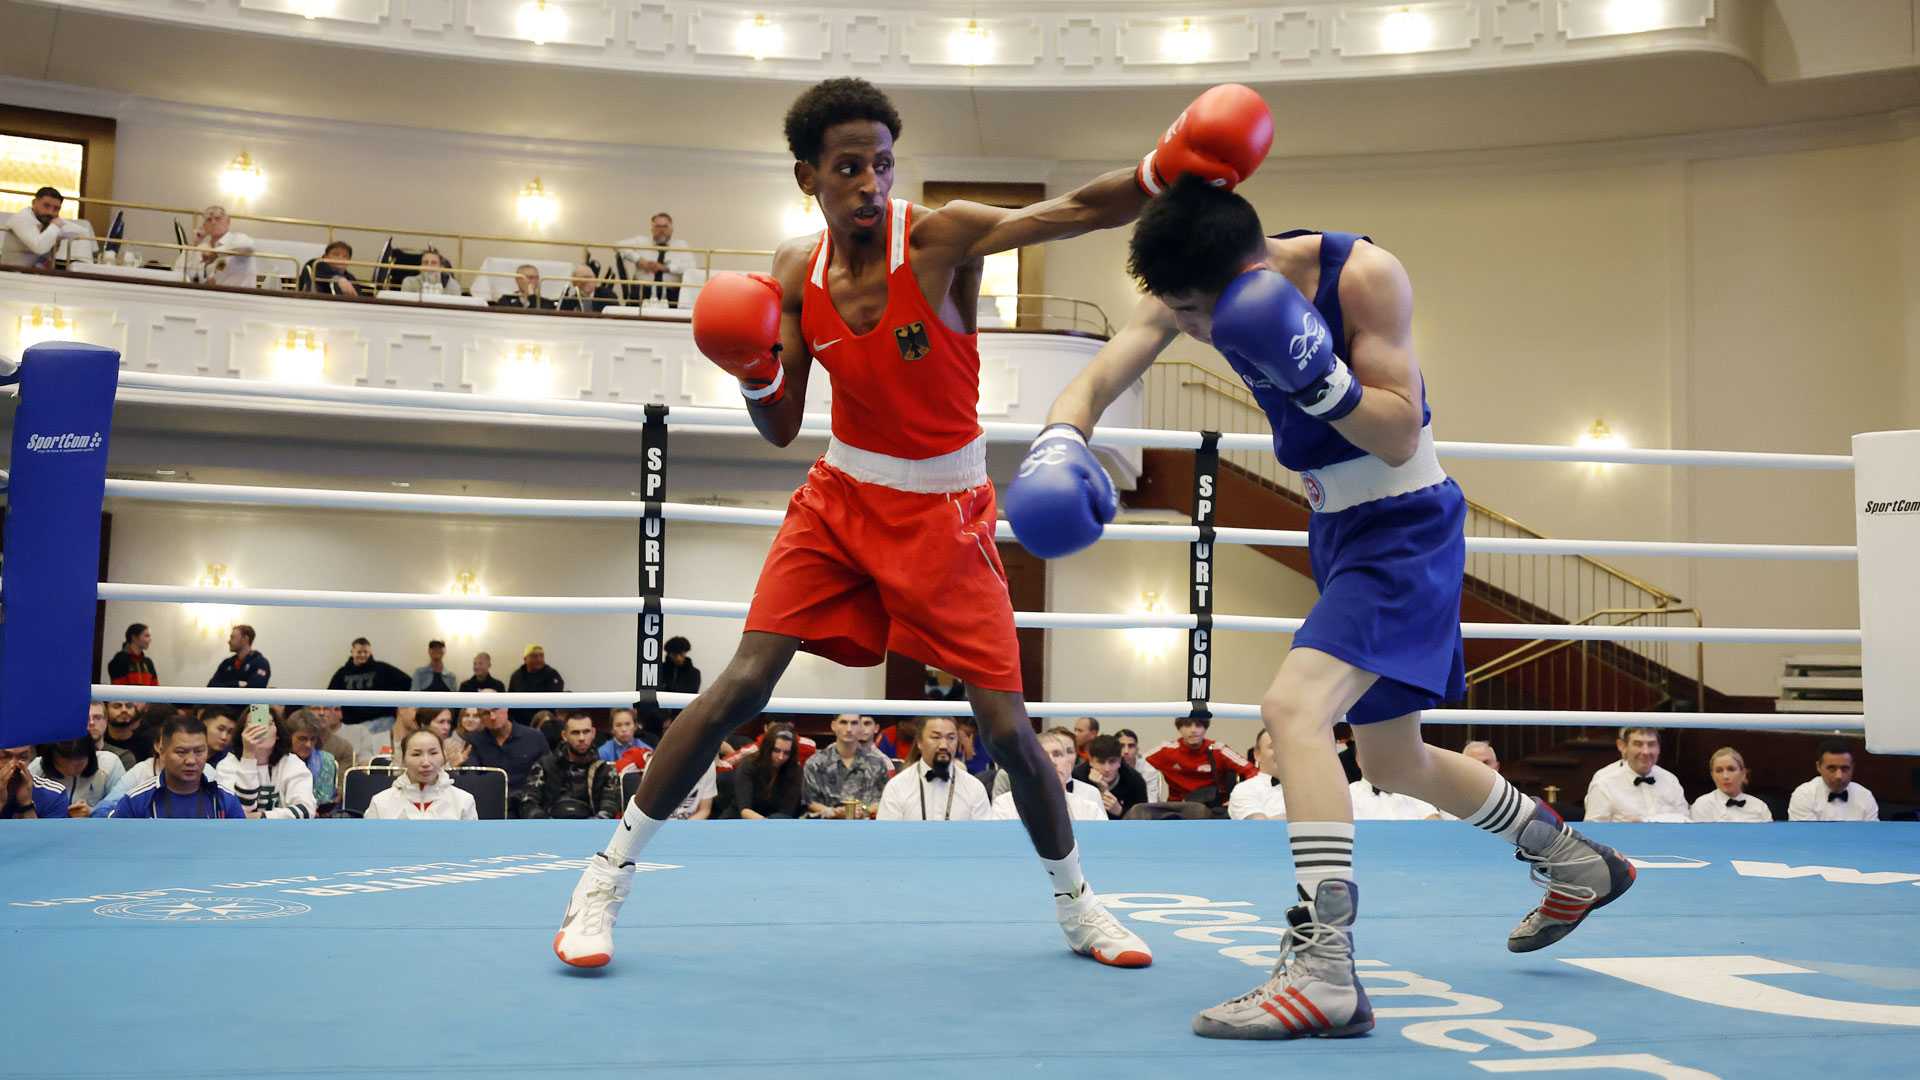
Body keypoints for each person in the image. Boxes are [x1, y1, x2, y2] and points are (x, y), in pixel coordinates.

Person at [552, 76, 1255, 972]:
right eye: (848, 167)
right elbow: (780, 426)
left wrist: (1164, 168)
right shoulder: (791, 269)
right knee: (742, 683)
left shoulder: (936, 236)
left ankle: (1079, 906)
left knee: (1005, 728)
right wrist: (753, 368)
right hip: (841, 499)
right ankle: (605, 880)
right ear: (808, 175)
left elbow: (1070, 212)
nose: (870, 183)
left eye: (882, 163)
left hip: (947, 511)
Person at [1015, 172, 1637, 1039]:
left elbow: (1397, 429)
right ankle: (1575, 862)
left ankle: (1323, 969)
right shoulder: (1188, 291)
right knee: (1392, 763)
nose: (1194, 331)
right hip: (1336, 530)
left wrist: (1316, 375)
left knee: (1292, 710)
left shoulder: (1362, 277)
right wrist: (1059, 439)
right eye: (1181, 312)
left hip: (1404, 522)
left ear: (1249, 271)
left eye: (1201, 312)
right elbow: (1098, 376)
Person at [111, 715, 247, 819]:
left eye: (199, 751)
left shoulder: (225, 799)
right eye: (181, 752)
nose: (191, 760)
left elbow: (241, 848)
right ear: (162, 751)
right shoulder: (137, 801)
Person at [875, 717, 991, 821]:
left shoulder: (974, 787)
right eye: (936, 737)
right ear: (919, 742)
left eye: (951, 738)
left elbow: (983, 838)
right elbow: (888, 838)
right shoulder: (898, 786)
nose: (944, 745)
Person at [215, 709, 320, 819]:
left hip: (283, 834)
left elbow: (306, 810)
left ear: (277, 734)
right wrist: (248, 755)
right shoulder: (226, 765)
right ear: (243, 733)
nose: (260, 729)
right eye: (253, 724)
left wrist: (260, 817)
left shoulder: (292, 763)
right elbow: (239, 811)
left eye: (268, 723)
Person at [462, 693, 549, 817]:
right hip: (490, 807)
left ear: (506, 707)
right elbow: (472, 779)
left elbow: (549, 775)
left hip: (529, 806)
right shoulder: (473, 740)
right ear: (480, 716)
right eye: (486, 713)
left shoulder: (534, 737)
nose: (492, 717)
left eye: (495, 709)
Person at [992, 728, 1103, 822]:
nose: (1052, 761)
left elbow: (1106, 845)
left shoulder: (1089, 809)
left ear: (1068, 765)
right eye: (1042, 755)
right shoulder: (1006, 805)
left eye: (1058, 754)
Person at [365, 729, 479, 820]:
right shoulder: (381, 803)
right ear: (403, 759)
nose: (426, 762)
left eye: (433, 753)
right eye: (416, 754)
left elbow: (472, 846)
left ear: (444, 757)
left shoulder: (463, 802)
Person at [524, 713, 622, 819]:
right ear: (564, 736)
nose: (581, 738)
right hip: (550, 828)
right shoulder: (544, 766)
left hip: (591, 829)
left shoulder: (606, 771)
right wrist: (546, 824)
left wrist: (588, 828)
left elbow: (610, 808)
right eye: (575, 732)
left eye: (586, 732)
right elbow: (528, 802)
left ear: (593, 733)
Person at [1582, 726, 1688, 823]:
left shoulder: (1671, 780)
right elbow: (1592, 833)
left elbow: (1686, 822)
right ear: (1623, 747)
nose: (1646, 752)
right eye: (1638, 744)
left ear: (1659, 748)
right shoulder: (1604, 785)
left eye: (1651, 744)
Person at [1145, 715, 1258, 806]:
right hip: (1177, 808)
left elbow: (1252, 771)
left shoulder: (1219, 750)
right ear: (1179, 728)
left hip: (1213, 809)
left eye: (1198, 725)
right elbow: (1136, 765)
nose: (1193, 730)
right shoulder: (1166, 750)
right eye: (1187, 725)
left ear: (1205, 728)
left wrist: (1238, 800)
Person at [802, 713, 892, 819]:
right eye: (843, 722)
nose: (849, 729)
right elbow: (811, 802)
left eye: (854, 723)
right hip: (826, 824)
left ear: (860, 727)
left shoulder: (876, 762)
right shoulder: (815, 762)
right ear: (833, 726)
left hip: (865, 825)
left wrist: (863, 811)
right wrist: (834, 812)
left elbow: (882, 800)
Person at [326, 638, 412, 729]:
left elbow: (406, 682)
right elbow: (330, 695)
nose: (363, 655)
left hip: (381, 721)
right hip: (352, 723)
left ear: (370, 652)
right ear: (352, 652)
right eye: (359, 652)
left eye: (366, 652)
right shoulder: (342, 673)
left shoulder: (382, 669)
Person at [30, 736, 125, 817]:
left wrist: (93, 811)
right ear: (51, 760)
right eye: (63, 766)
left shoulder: (109, 764)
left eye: (78, 766)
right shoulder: (37, 768)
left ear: (90, 756)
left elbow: (122, 808)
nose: (71, 771)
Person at [1788, 738, 1879, 821]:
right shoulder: (1804, 795)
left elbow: (1872, 835)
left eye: (1845, 769)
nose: (1838, 776)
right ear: (1819, 767)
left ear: (1852, 767)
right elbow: (1807, 836)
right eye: (1831, 768)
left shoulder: (1866, 797)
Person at [618, 213, 698, 305]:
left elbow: (692, 266)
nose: (661, 230)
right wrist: (640, 260)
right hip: (643, 292)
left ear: (671, 230)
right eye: (658, 227)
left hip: (671, 293)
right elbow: (618, 246)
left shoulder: (681, 245)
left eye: (665, 227)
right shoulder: (641, 241)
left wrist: (667, 268)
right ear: (652, 229)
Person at [3, 186, 91, 269]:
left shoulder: (49, 220)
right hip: (12, 274)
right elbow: (39, 247)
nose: (50, 212)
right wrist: (55, 226)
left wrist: (55, 226)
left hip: (37, 274)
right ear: (34, 203)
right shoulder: (21, 219)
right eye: (46, 205)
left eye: (56, 209)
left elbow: (83, 233)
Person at [731, 724, 807, 819]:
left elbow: (787, 811)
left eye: (786, 752)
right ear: (767, 747)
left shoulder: (795, 770)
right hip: (742, 821)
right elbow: (744, 809)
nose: (781, 757)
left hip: (777, 822)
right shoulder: (748, 766)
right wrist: (766, 824)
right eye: (776, 750)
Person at [175, 206, 256, 287]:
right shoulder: (202, 248)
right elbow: (180, 272)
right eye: (209, 220)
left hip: (238, 295)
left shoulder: (238, 238)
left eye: (218, 219)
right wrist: (192, 245)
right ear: (205, 225)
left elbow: (249, 247)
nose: (213, 223)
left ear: (228, 222)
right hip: (208, 295)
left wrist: (215, 254)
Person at [1074, 734, 1148, 819]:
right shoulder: (1078, 777)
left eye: (1112, 762)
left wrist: (1121, 811)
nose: (1107, 769)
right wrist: (1098, 789)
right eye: (1101, 762)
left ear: (1120, 760)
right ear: (1091, 761)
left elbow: (1143, 821)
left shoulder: (1135, 780)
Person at [1688, 747, 1771, 823]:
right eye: (1719, 771)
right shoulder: (1703, 805)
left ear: (1743, 773)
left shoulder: (1760, 806)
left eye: (1731, 769)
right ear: (1713, 776)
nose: (1725, 776)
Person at [1228, 730, 1289, 822]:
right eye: (1272, 746)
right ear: (1257, 754)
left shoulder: (1308, 788)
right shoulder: (1244, 789)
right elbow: (1259, 828)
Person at [1, 746, 69, 819]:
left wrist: (27, 805)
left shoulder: (53, 794)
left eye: (23, 757)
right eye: (4, 757)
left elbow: (38, 831)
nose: (14, 765)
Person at [507, 645, 565, 725]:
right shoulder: (517, 676)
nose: (539, 659)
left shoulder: (552, 675)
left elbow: (554, 700)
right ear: (525, 659)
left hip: (545, 723)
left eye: (541, 656)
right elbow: (510, 700)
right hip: (520, 723)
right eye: (534, 656)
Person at [209, 624, 272, 689]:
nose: (229, 641)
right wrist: (238, 683)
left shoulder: (260, 663)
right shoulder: (227, 663)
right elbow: (211, 685)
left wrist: (227, 685)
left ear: (245, 639)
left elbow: (255, 687)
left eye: (232, 637)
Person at [1115, 729, 1165, 803]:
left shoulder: (1149, 771)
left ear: (1137, 749)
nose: (1126, 751)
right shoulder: (1107, 768)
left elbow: (1151, 804)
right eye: (1121, 746)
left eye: (1131, 746)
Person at [108, 623, 159, 687]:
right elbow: (119, 690)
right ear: (134, 638)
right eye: (147, 636)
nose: (150, 639)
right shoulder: (119, 660)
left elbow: (155, 689)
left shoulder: (148, 662)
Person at [88, 703, 136, 769]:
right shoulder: (70, 755)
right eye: (86, 718)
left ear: (106, 720)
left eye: (97, 717)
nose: (92, 722)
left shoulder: (122, 757)